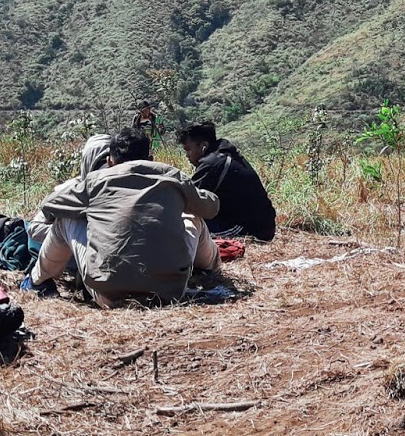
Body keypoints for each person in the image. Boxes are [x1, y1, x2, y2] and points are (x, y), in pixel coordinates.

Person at [27, 128, 223, 308]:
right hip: (170, 293)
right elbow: (211, 207)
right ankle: (211, 269)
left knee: (64, 222)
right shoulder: (173, 176)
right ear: (151, 158)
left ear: (111, 160)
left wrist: (90, 212)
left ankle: (36, 282)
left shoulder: (95, 181)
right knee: (192, 215)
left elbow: (50, 204)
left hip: (108, 295)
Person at [176, 122, 277, 241]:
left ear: (204, 146)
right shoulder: (223, 154)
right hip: (262, 225)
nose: (187, 155)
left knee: (184, 226)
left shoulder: (212, 163)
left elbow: (189, 199)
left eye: (188, 149)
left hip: (249, 229)